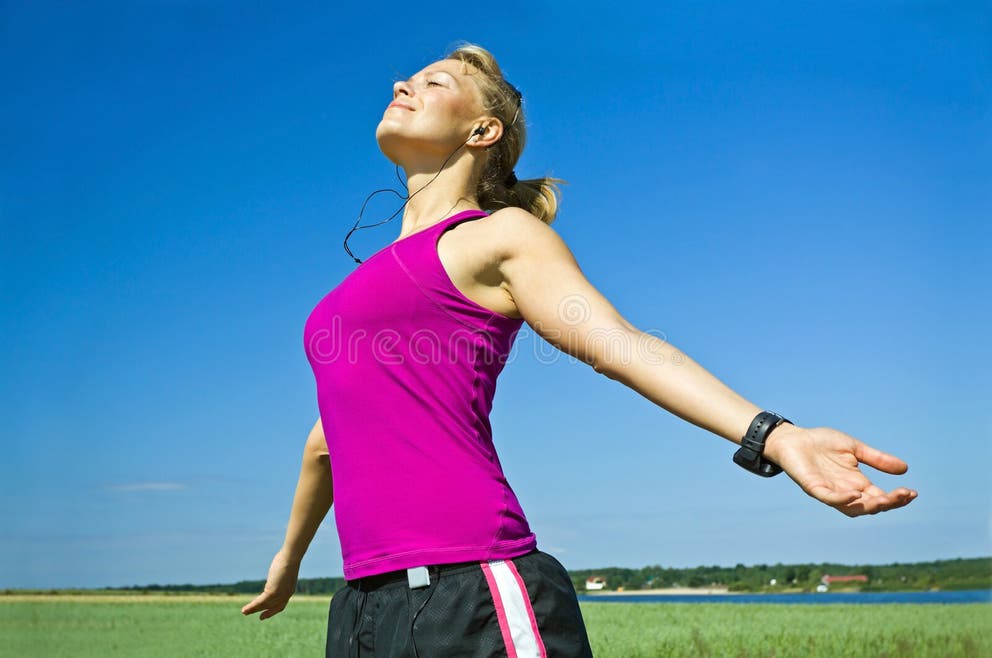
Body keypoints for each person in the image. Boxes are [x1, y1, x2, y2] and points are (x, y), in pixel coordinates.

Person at [241, 43, 918, 656]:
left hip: (471, 588)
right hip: (362, 606)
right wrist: (289, 558)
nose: (402, 82)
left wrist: (773, 436)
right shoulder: (353, 293)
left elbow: (619, 345)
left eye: (434, 80)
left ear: (483, 131)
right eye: (408, 77)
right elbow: (330, 438)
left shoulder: (497, 237)